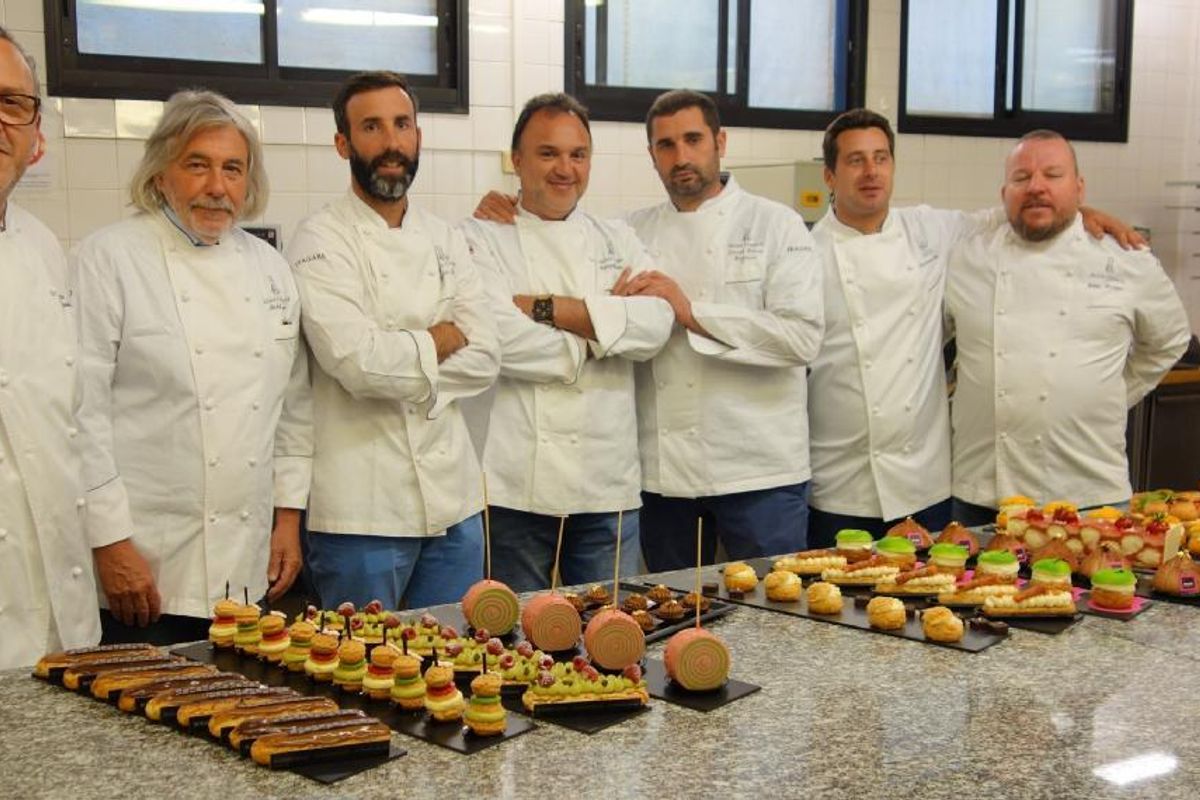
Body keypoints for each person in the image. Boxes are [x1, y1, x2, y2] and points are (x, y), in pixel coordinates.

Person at [475, 90, 822, 569]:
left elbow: (797, 337)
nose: (681, 156)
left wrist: (685, 310)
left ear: (720, 141)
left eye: (693, 139)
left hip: (759, 468)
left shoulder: (777, 224)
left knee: (773, 615)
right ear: (651, 156)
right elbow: (500, 332)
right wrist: (605, 327)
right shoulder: (630, 229)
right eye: (665, 145)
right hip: (664, 478)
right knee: (667, 620)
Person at [807, 110, 1145, 545]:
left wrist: (1079, 209)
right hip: (838, 483)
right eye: (855, 161)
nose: (871, 171)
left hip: (924, 484)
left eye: (881, 158)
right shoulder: (804, 252)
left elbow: (1010, 213)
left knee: (933, 600)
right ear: (830, 176)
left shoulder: (930, 229)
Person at [75, 89, 312, 644]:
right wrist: (108, 541)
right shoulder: (108, 258)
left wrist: (287, 520)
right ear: (161, 174)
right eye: (197, 165)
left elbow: (294, 411)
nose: (216, 186)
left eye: (232, 169)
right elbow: (80, 414)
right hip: (144, 568)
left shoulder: (271, 270)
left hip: (247, 567)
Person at [287, 71, 499, 608]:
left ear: (418, 136)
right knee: (364, 675)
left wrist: (403, 352)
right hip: (362, 512)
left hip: (456, 507)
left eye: (402, 125)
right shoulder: (319, 238)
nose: (391, 143)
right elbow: (358, 364)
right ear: (344, 143)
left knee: (453, 669)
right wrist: (444, 336)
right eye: (372, 127)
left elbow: (487, 356)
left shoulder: (446, 237)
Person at [461, 94, 672, 591]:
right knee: (512, 638)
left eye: (578, 155)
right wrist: (601, 331)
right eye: (548, 153)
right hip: (514, 486)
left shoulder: (616, 238)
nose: (565, 168)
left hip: (607, 482)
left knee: (611, 635)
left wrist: (550, 309)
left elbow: (658, 321)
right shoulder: (477, 237)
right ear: (517, 160)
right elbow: (494, 336)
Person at [945, 129, 1190, 523]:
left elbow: (1170, 340)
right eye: (1021, 178)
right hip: (981, 493)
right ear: (1003, 192)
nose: (1036, 187)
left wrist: (1110, 392)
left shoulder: (1127, 259)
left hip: (1091, 493)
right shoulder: (966, 257)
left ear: (1079, 188)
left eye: (1053, 175)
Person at [0, 27, 101, 668]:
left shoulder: (39, 244)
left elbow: (70, 417)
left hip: (57, 610)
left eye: (13, 103)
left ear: (35, 135)